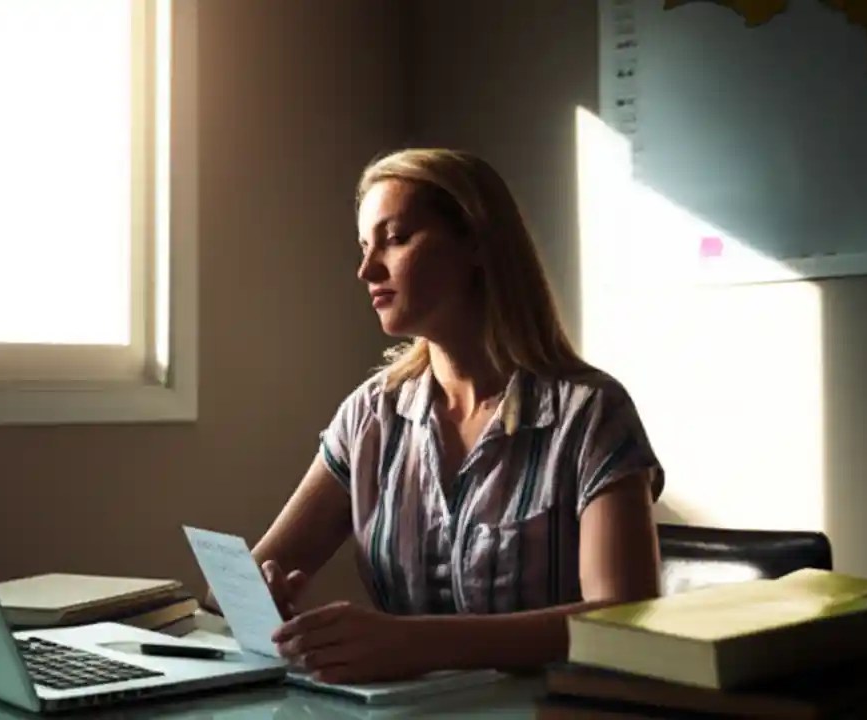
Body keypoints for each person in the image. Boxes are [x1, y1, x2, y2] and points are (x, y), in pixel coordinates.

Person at [225, 148, 664, 684]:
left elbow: (624, 620)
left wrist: (419, 643)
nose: (367, 269)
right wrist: (261, 597)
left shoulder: (590, 415)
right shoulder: (370, 417)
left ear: (477, 243)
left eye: (396, 239)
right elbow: (240, 582)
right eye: (365, 247)